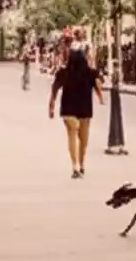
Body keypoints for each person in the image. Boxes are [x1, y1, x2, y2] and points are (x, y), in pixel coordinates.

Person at [48, 49, 105, 179]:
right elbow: (98, 85)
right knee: (83, 140)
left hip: (68, 110)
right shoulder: (90, 73)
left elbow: (54, 90)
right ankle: (82, 164)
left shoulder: (63, 72)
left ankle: (75, 166)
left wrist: (51, 107)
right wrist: (101, 97)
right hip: (85, 110)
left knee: (72, 135)